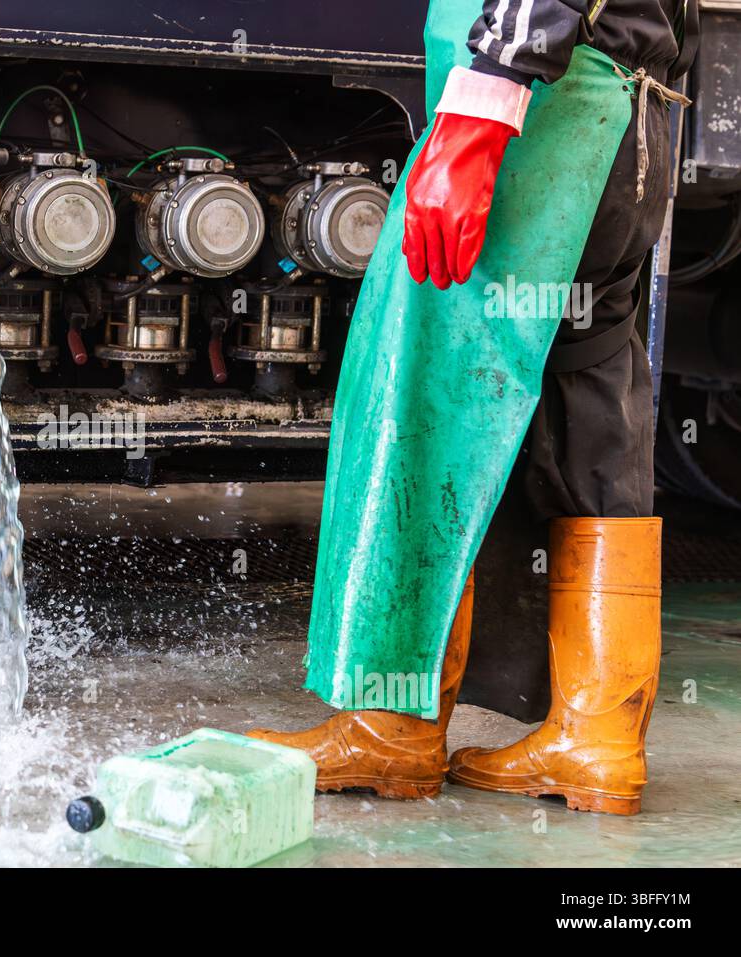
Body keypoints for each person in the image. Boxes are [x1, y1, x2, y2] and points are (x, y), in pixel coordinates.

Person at [250, 0, 699, 816]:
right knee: (590, 386)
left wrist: (484, 104)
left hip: (542, 107)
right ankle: (597, 735)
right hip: (623, 112)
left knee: (425, 389)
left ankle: (392, 722)